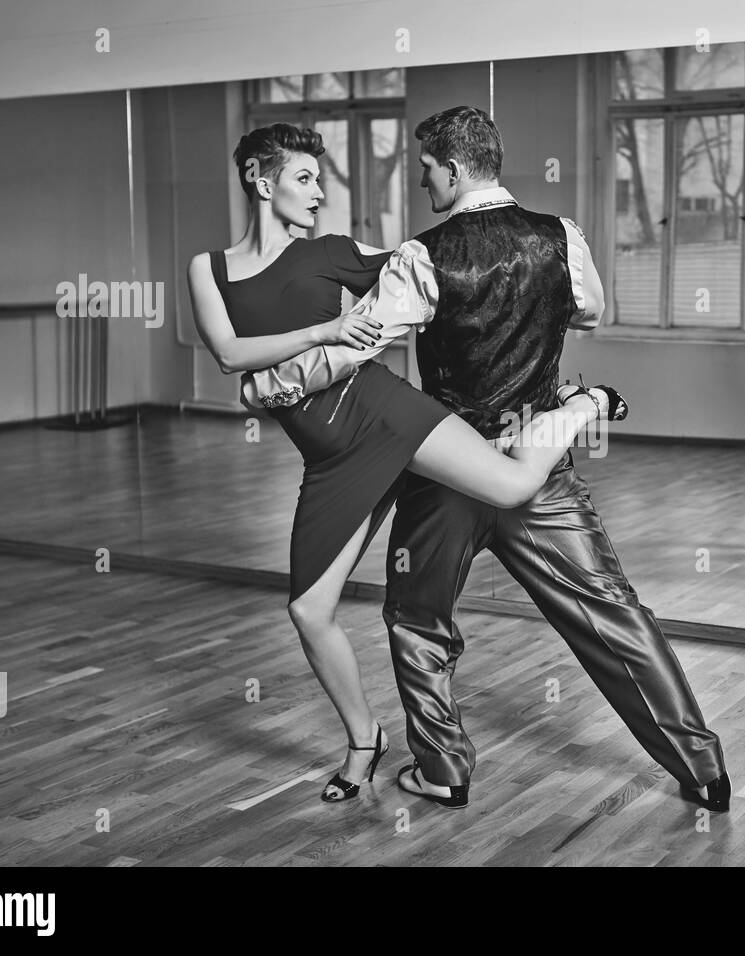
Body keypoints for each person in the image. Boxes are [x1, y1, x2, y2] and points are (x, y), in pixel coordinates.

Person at [255, 106, 731, 812]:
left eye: (425, 170)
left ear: (452, 168)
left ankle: (443, 770)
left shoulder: (422, 256)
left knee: (418, 622)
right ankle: (703, 769)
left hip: (447, 466)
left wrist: (273, 380)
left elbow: (358, 346)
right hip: (538, 464)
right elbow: (592, 311)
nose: (422, 182)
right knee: (613, 612)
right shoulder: (558, 237)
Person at [187, 123, 627, 805]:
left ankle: (585, 404)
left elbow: (451, 259)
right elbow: (227, 353)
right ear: (258, 177)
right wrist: (324, 330)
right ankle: (366, 738)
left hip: (387, 416)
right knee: (309, 610)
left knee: (511, 483)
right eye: (304, 177)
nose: (318, 191)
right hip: (330, 457)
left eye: (318, 178)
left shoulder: (335, 252)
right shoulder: (208, 269)